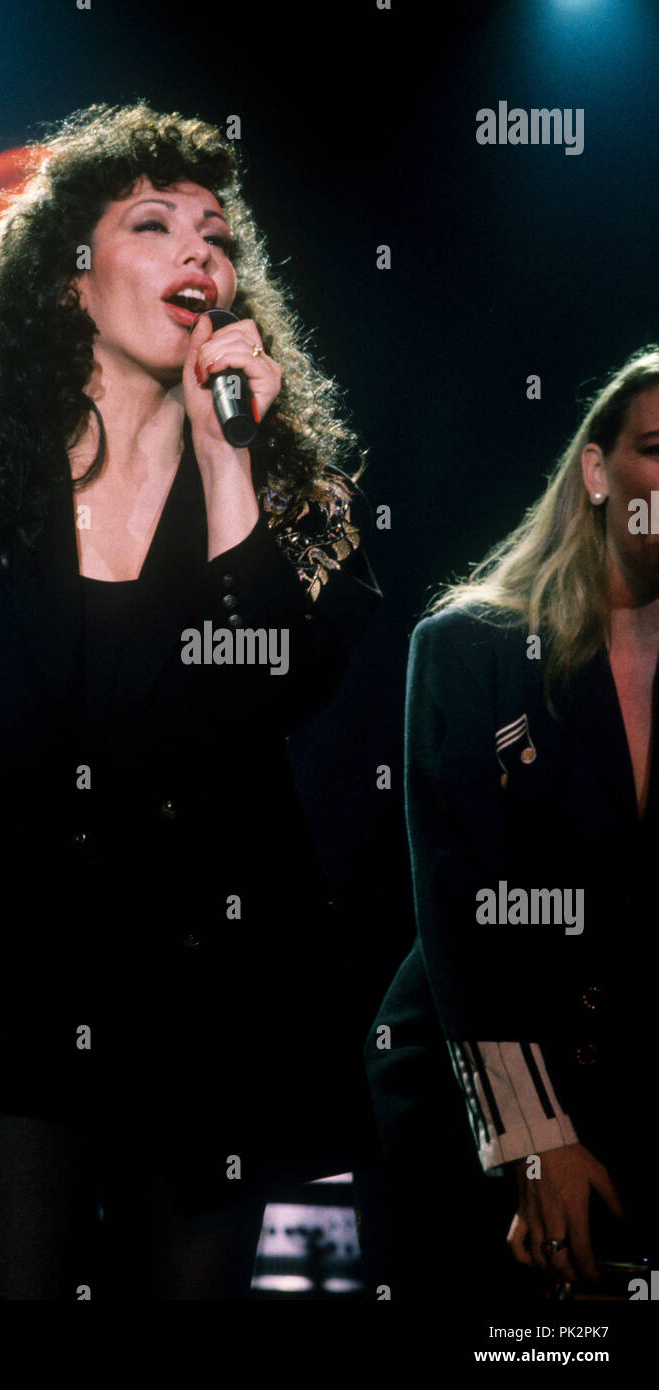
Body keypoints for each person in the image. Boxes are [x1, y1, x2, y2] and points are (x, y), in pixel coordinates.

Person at [0, 101, 381, 1300]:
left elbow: (282, 686)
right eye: (154, 224)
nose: (201, 252)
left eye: (216, 234)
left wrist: (229, 454)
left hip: (209, 1023)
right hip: (2, 1012)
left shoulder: (292, 497)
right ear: (70, 278)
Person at [365, 347, 659, 1301]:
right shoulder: (468, 648)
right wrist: (534, 1142)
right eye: (657, 449)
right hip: (473, 1111)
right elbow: (464, 912)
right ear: (597, 471)